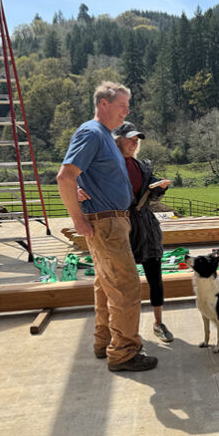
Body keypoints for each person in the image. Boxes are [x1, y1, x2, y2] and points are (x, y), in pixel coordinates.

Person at [57, 81, 157, 372]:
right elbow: (66, 177)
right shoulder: (91, 132)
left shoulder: (102, 135)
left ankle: (105, 342)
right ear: (103, 104)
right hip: (107, 223)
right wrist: (77, 218)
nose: (127, 112)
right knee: (126, 287)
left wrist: (80, 195)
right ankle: (124, 352)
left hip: (111, 221)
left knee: (105, 286)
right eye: (122, 106)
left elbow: (79, 178)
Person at [77, 121, 174, 343]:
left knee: (154, 276)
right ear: (116, 139)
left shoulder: (141, 167)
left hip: (145, 227)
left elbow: (150, 192)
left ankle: (158, 323)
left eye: (136, 139)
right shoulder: (103, 165)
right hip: (116, 226)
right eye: (129, 138)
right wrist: (76, 190)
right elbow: (77, 178)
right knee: (116, 281)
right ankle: (119, 332)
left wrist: (160, 188)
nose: (134, 143)